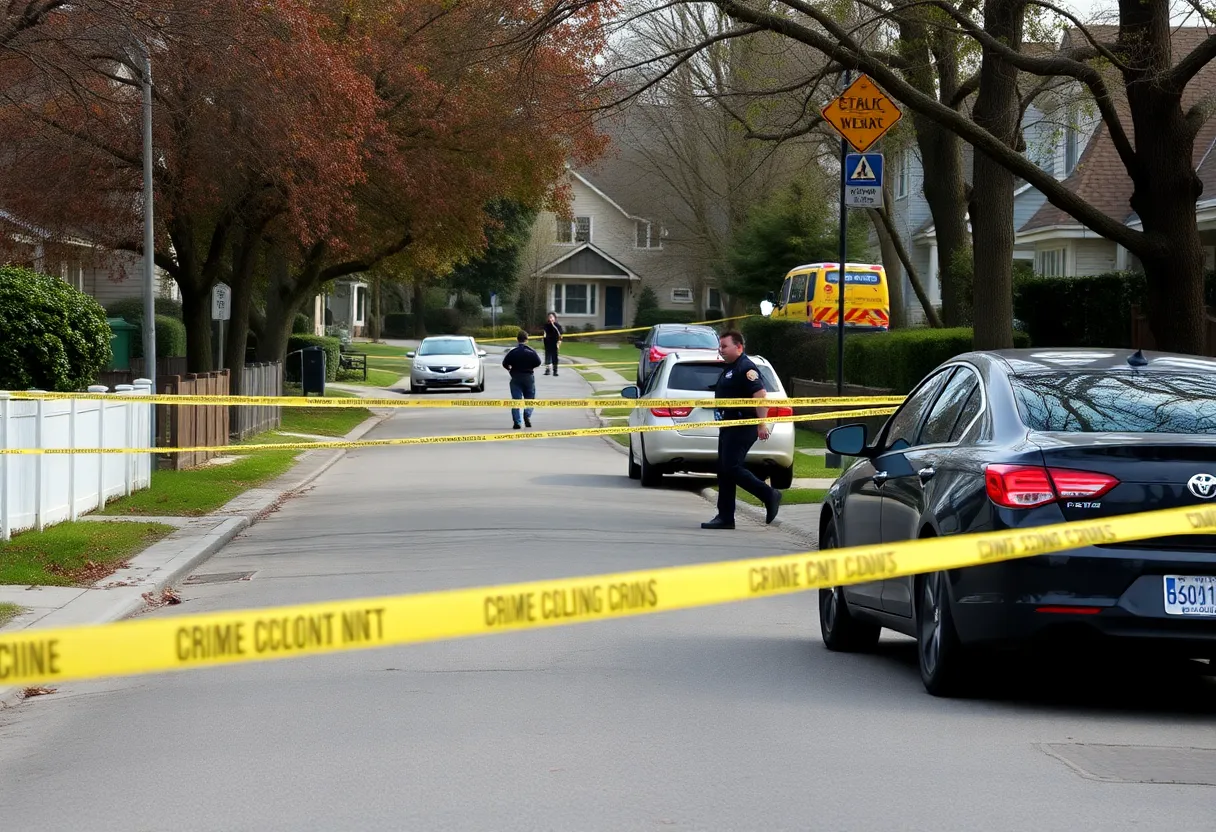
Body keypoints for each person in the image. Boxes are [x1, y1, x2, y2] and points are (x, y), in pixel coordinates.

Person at [701, 330, 782, 530]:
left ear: (739, 347)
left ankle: (769, 494)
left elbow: (761, 395)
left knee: (731, 468)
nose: (721, 351)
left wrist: (761, 424)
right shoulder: (731, 367)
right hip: (729, 426)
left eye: (725, 346)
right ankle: (725, 517)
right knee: (724, 470)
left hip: (743, 425)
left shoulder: (746, 367)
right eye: (720, 347)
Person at [502, 330, 541, 429]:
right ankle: (527, 414)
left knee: (516, 400)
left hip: (516, 377)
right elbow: (538, 362)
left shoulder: (513, 352)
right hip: (528, 377)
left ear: (517, 339)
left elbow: (505, 363)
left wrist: (510, 370)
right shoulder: (531, 352)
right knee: (530, 399)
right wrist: (530, 367)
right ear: (526, 340)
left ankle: (517, 422)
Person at [542, 312, 563, 376]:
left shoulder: (558, 326)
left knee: (555, 357)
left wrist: (559, 341)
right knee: (547, 357)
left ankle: (555, 371)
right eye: (549, 317)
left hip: (555, 343)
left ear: (554, 318)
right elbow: (545, 333)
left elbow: (560, 334)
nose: (550, 318)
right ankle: (547, 370)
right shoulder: (546, 325)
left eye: (552, 317)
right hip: (548, 344)